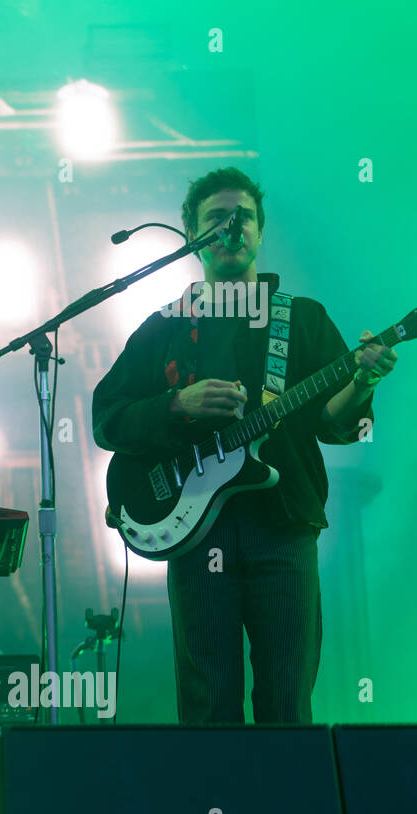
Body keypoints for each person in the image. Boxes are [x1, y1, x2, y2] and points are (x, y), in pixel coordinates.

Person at [92, 168, 398, 724]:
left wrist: (363, 380)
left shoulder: (302, 318)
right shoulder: (164, 327)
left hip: (283, 525)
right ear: (193, 235)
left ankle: (285, 813)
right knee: (208, 702)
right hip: (193, 530)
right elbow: (105, 419)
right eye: (217, 219)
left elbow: (334, 424)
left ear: (259, 232)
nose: (233, 228)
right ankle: (216, 810)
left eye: (245, 218)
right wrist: (176, 405)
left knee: (286, 698)